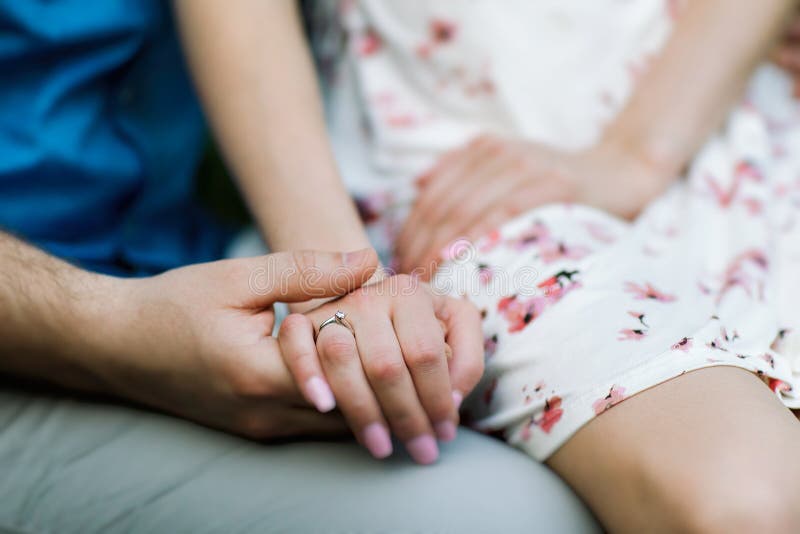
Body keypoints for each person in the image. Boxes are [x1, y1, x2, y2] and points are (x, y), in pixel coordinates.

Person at [180, 0, 800, 531]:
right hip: (462, 195)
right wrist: (337, 277)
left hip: (734, 118)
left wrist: (638, 153)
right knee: (749, 500)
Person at [0, 1, 599, 532]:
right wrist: (115, 329)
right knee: (503, 517)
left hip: (180, 270)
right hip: (32, 357)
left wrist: (348, 294)